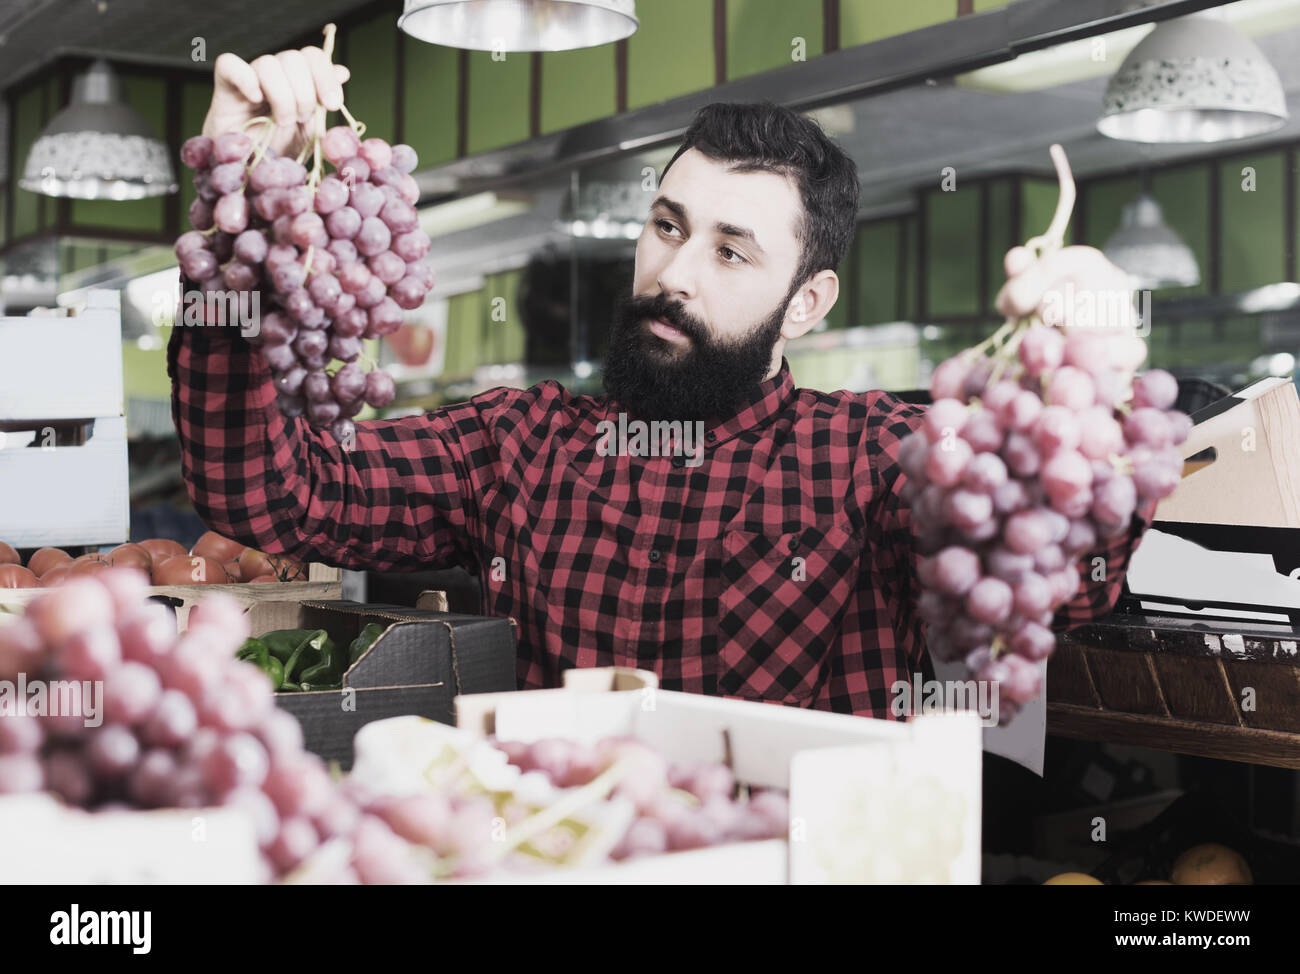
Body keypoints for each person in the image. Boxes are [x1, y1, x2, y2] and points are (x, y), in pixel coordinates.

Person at [170, 45, 1154, 717]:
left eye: (731, 252)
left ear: (807, 303)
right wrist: (227, 228)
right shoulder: (520, 441)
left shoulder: (875, 454)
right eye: (669, 225)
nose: (674, 273)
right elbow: (269, 493)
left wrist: (1096, 380)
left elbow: (1065, 582)